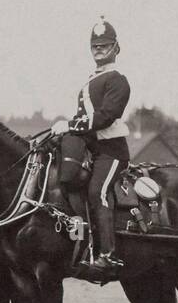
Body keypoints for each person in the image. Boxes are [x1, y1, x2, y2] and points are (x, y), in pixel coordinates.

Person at [52, 17, 131, 273]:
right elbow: (84, 118)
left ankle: (108, 255)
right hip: (91, 151)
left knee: (97, 191)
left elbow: (106, 116)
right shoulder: (90, 80)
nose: (99, 49)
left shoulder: (117, 80)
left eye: (105, 45)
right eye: (95, 45)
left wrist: (72, 126)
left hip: (111, 152)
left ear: (116, 48)